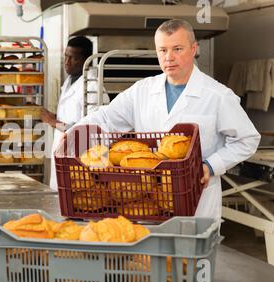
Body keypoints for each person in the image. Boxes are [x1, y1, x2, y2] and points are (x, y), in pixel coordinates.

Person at [73, 19, 261, 220]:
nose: (169, 57)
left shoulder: (217, 95)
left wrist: (210, 165)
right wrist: (74, 132)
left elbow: (247, 139)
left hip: (197, 201)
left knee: (191, 251)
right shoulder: (142, 91)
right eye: (162, 50)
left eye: (177, 49)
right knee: (148, 250)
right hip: (147, 199)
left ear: (194, 49)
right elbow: (107, 117)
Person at [41, 36, 109, 191]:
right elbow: (72, 118)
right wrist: (53, 118)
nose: (67, 62)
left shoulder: (93, 87)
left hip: (82, 157)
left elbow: (94, 130)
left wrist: (54, 122)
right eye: (66, 56)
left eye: (73, 58)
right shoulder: (70, 81)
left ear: (86, 61)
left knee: (79, 200)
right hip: (64, 152)